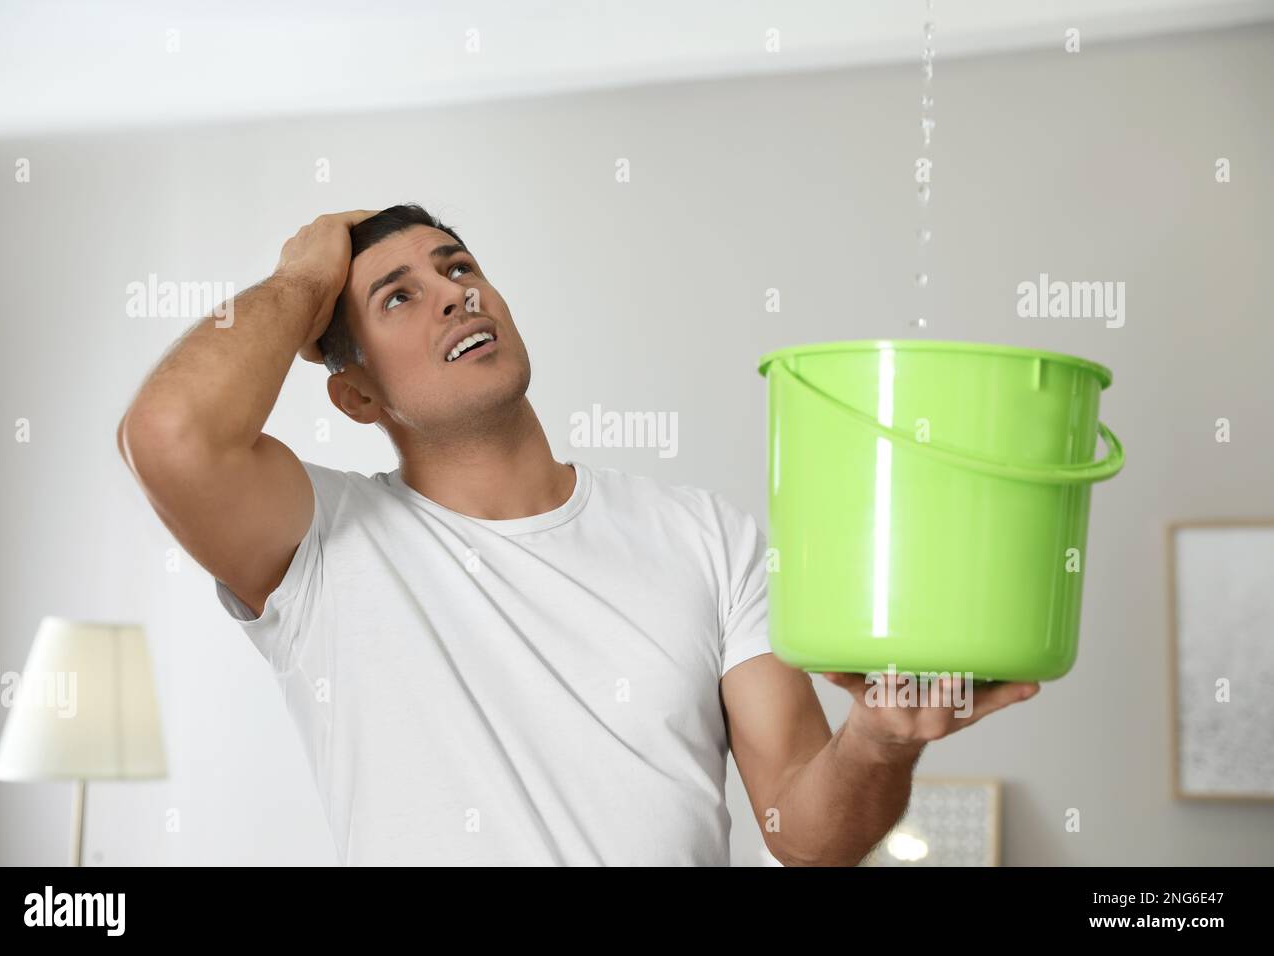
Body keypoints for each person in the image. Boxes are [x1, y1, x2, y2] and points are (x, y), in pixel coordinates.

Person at [117, 204, 1039, 866]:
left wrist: (879, 741)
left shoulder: (706, 536)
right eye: (398, 297)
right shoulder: (320, 544)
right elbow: (168, 434)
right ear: (356, 396)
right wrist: (300, 280)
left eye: (460, 267)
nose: (453, 296)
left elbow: (805, 835)